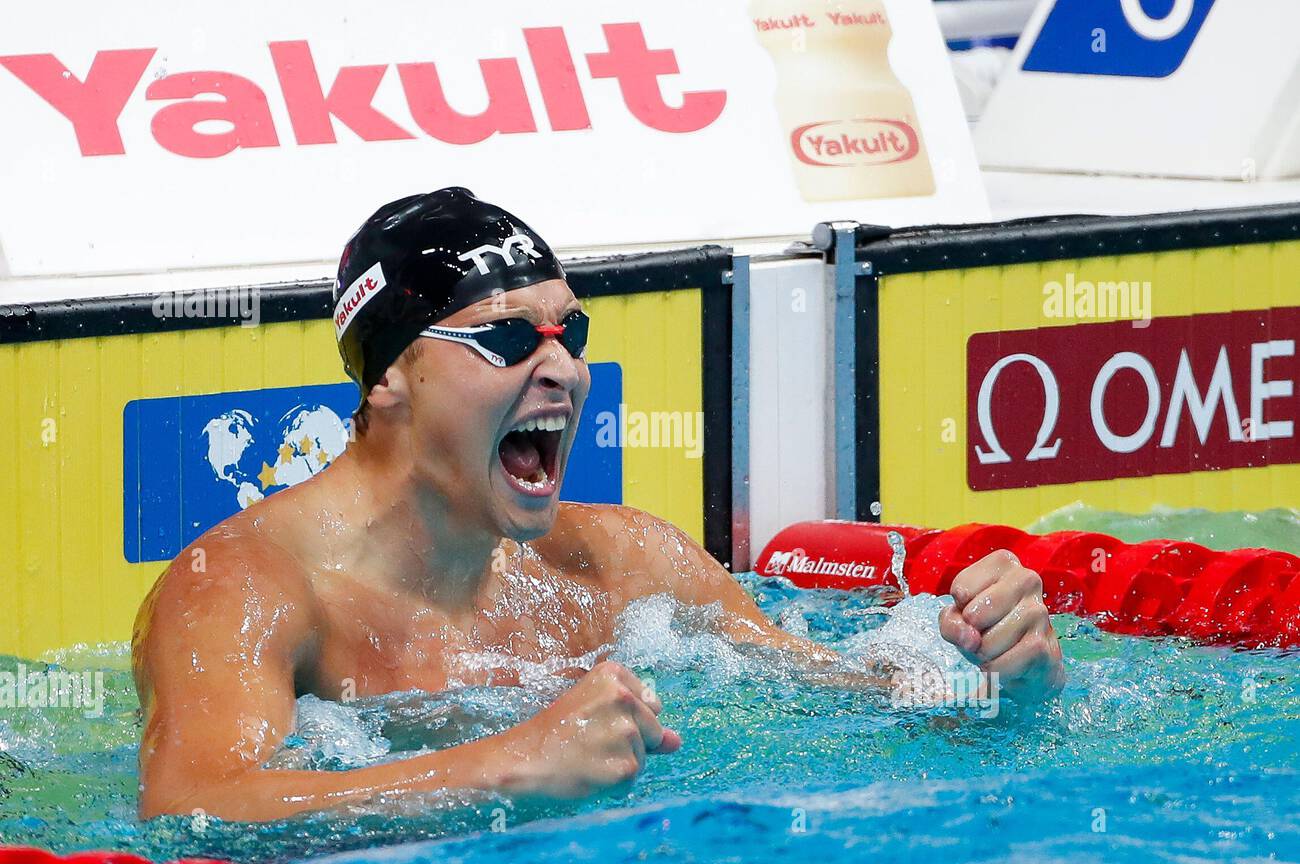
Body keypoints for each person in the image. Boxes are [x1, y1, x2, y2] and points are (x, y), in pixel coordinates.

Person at [132, 187, 1065, 822]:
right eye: (506, 337)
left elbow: (854, 701)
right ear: (389, 378)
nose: (565, 368)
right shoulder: (246, 586)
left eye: (567, 330)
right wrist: (503, 767)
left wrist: (996, 683)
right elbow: (190, 806)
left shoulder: (620, 564)